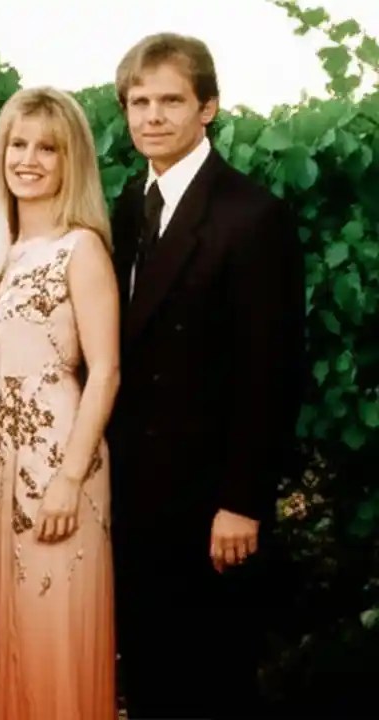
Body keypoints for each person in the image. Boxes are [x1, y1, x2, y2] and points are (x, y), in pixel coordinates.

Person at [108, 33, 304, 718]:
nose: (152, 116)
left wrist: (242, 501)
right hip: (136, 494)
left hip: (211, 504)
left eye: (170, 101)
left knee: (213, 682)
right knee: (151, 676)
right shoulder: (130, 204)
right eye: (139, 102)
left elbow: (272, 370)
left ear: (208, 108)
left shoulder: (252, 216)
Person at [0, 86, 119, 719]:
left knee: (51, 638)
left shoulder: (81, 248)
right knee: (6, 633)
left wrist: (69, 479)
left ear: (70, 160)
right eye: (18, 144)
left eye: (47, 149)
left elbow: (105, 371)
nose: (28, 160)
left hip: (58, 470)